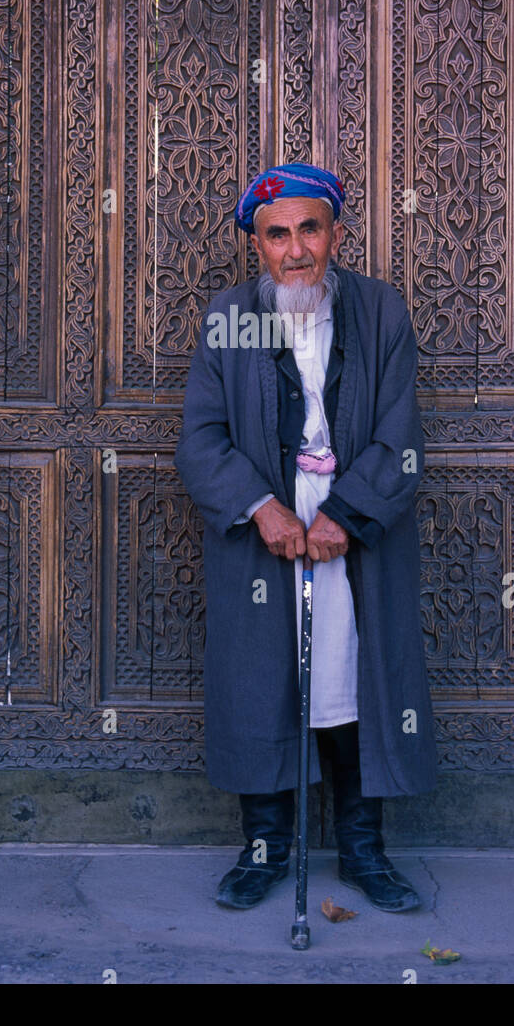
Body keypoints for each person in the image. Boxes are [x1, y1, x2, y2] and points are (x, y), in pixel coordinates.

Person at [175, 162, 436, 913]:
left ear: (335, 236)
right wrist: (261, 506)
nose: (295, 250)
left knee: (354, 680)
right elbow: (200, 440)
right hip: (264, 539)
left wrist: (345, 514)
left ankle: (363, 852)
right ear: (257, 245)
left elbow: (400, 432)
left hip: (356, 534)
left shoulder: (379, 311)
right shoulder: (232, 315)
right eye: (277, 234)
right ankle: (263, 851)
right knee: (264, 683)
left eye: (309, 229)